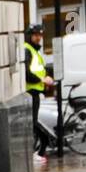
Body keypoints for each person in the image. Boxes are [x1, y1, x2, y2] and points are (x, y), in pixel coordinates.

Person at [25, 23, 53, 162]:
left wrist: (45, 80)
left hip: (35, 91)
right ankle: (36, 151)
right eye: (36, 35)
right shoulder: (27, 49)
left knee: (33, 122)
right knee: (32, 123)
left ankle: (40, 151)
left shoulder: (35, 51)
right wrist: (42, 79)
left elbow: (39, 69)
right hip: (30, 92)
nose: (39, 38)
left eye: (40, 35)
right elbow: (27, 73)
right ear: (30, 35)